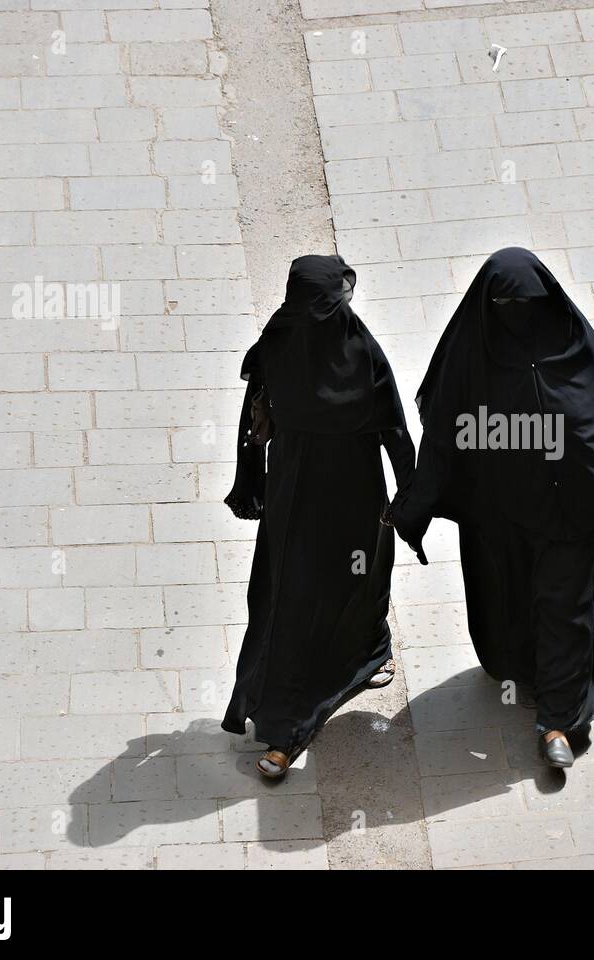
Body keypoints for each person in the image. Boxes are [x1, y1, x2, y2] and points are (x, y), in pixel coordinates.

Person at [389, 247, 594, 768]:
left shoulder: (572, 343)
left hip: (570, 510)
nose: (521, 317)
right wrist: (412, 506)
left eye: (529, 305)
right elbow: (443, 440)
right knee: (508, 600)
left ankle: (559, 720)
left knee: (565, 610)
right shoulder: (470, 358)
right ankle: (516, 667)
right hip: (501, 515)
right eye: (509, 306)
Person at [222, 254, 415, 779]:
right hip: (297, 500)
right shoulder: (282, 345)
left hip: (353, 496)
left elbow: (394, 425)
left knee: (356, 579)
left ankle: (366, 652)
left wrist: (412, 498)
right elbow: (255, 416)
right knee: (290, 599)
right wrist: (252, 484)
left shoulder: (348, 346)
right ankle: (285, 725)